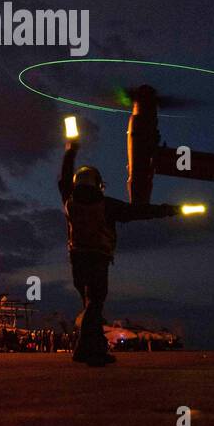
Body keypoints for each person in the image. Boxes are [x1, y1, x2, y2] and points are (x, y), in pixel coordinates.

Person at [59, 138, 180, 367]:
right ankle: (84, 350)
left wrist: (70, 150)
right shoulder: (107, 205)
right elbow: (139, 212)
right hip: (98, 258)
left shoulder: (69, 200)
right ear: (98, 184)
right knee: (95, 304)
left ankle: (95, 351)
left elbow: (63, 177)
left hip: (76, 259)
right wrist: (169, 210)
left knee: (90, 306)